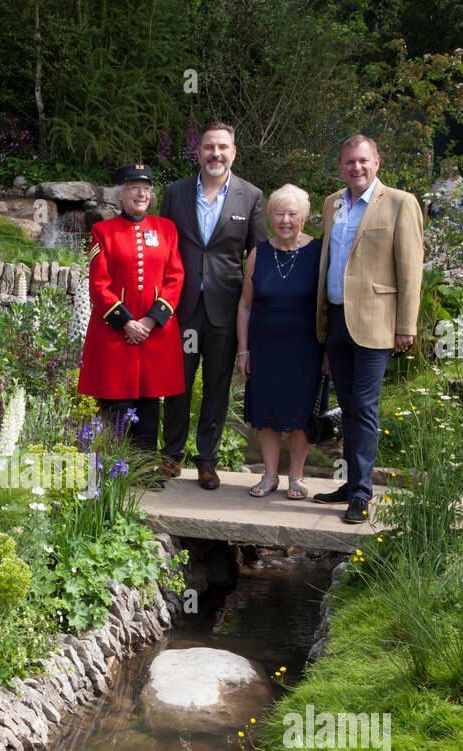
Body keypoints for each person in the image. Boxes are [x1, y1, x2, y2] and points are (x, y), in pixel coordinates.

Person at [313, 134, 423, 523]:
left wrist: (405, 324)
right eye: (348, 162)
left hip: (376, 322)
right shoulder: (332, 204)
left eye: (362, 161)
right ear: (340, 166)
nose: (356, 168)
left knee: (363, 407)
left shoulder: (399, 203)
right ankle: (349, 482)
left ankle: (361, 493)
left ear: (377, 162)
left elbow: (410, 268)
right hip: (337, 320)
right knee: (347, 407)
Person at [159, 121, 267, 489]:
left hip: (226, 308)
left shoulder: (250, 196)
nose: (215, 154)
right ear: (199, 151)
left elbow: (257, 255)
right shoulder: (175, 193)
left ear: (233, 152)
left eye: (222, 147)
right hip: (183, 307)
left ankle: (207, 460)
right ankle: (171, 456)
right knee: (177, 382)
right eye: (208, 147)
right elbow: (161, 247)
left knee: (218, 385)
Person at [77, 163, 184, 481]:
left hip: (154, 334)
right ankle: (110, 467)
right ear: (119, 193)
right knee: (115, 401)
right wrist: (126, 322)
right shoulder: (103, 231)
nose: (141, 193)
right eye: (133, 187)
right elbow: (98, 284)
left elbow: (175, 277)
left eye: (146, 188)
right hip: (115, 334)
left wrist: (152, 320)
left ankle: (142, 470)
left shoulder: (166, 230)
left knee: (151, 402)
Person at [236, 185, 324, 499]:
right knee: (267, 412)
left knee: (302, 413)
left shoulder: (319, 252)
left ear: (304, 216)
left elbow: (327, 306)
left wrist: (327, 352)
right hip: (265, 347)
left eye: (292, 214)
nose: (285, 220)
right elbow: (245, 305)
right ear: (270, 216)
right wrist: (243, 350)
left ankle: (296, 478)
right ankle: (270, 474)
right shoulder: (258, 253)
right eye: (278, 213)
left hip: (306, 349)